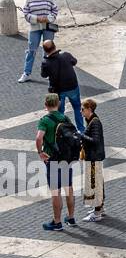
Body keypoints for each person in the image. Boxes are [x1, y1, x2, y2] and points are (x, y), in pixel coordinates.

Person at [36, 93, 79, 232]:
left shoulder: (45, 120)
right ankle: (71, 217)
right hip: (66, 158)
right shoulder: (65, 118)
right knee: (69, 188)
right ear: (58, 104)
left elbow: (39, 138)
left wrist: (40, 152)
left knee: (56, 192)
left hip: (53, 159)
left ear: (46, 105)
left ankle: (57, 221)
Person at [18, 0, 56, 83]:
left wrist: (48, 19)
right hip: (34, 28)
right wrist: (37, 19)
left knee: (48, 51)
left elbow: (55, 10)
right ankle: (26, 73)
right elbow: (26, 14)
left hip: (48, 27)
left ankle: (48, 72)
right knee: (31, 50)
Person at [40, 40, 83, 131]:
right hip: (72, 86)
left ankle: (62, 130)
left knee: (60, 111)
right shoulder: (66, 55)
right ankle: (81, 129)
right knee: (77, 107)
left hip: (58, 90)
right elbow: (74, 61)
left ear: (45, 50)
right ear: (55, 46)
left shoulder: (46, 62)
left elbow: (44, 75)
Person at [80, 98, 106, 222]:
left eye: (82, 109)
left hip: (94, 157)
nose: (81, 112)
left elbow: (95, 140)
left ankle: (97, 213)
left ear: (89, 109)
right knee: (97, 183)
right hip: (94, 157)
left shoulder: (94, 122)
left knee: (95, 185)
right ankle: (99, 208)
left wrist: (81, 136)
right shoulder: (91, 120)